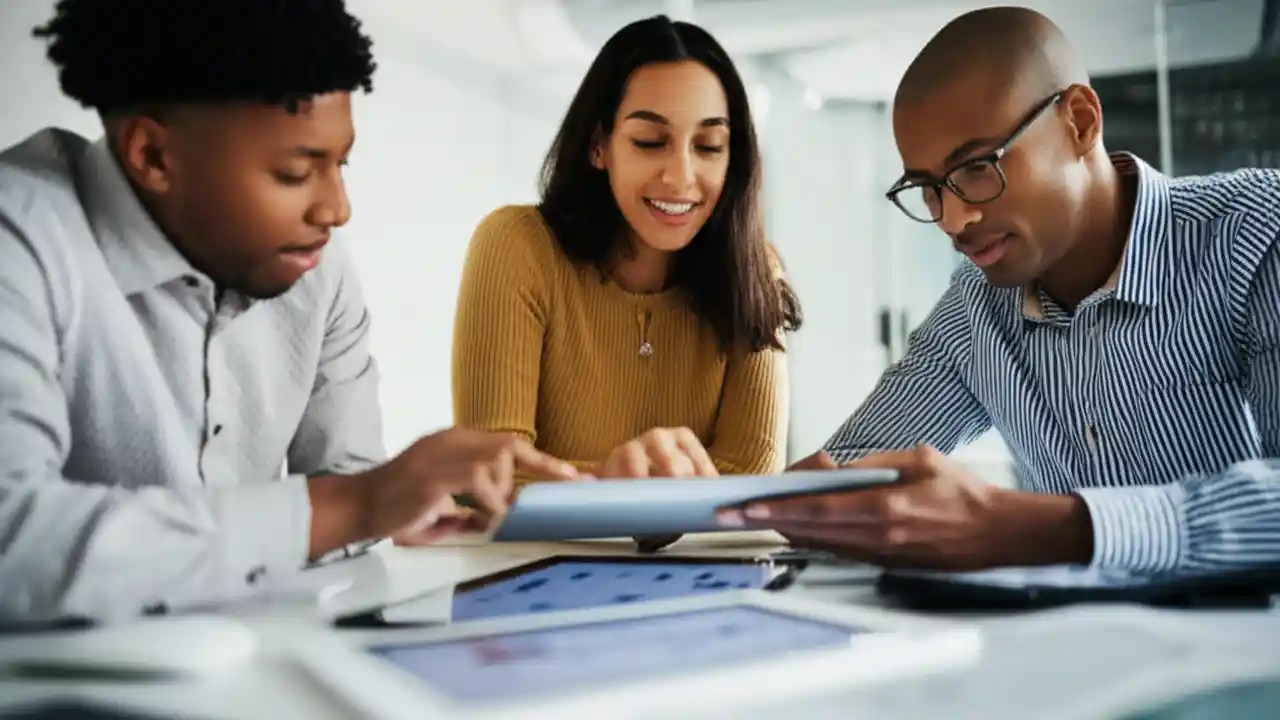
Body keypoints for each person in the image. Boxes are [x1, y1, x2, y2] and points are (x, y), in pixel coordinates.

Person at [0, 0, 575, 622]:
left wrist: (397, 502)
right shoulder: (21, 239)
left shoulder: (315, 270)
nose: (336, 209)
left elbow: (349, 488)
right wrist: (356, 506)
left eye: (340, 164)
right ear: (153, 156)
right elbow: (14, 540)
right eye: (296, 172)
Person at [718, 6, 1280, 574]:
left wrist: (1035, 528)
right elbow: (847, 478)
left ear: (1080, 122)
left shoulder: (1258, 234)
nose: (952, 220)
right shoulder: (975, 310)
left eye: (978, 167)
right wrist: (737, 499)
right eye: (929, 188)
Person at [452, 15, 801, 482]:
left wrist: (605, 489)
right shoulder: (517, 246)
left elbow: (750, 478)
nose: (681, 177)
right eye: (651, 142)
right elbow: (489, 473)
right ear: (599, 145)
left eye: (709, 145)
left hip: (680, 544)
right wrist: (610, 482)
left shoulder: (756, 272)